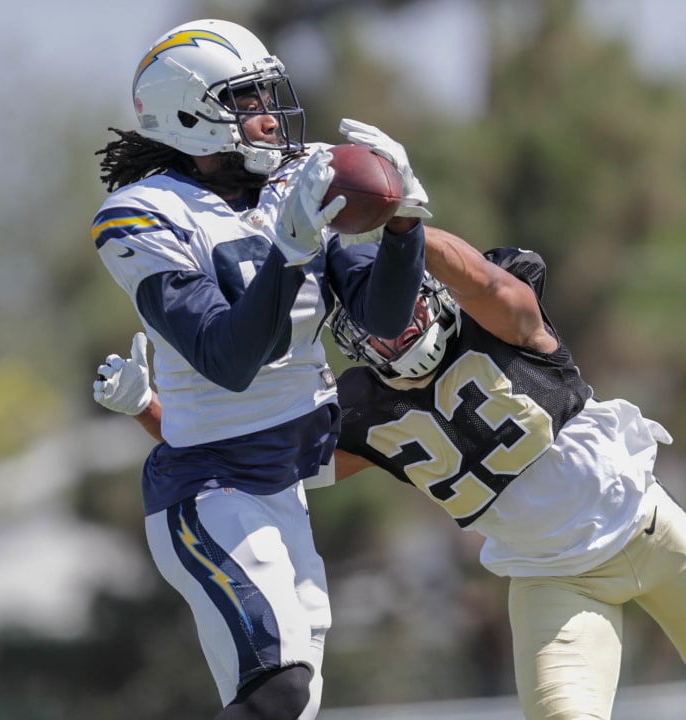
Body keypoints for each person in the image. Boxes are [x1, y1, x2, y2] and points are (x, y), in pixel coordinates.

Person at [96, 225, 686, 720]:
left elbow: (488, 280)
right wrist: (147, 408)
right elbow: (252, 460)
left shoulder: (498, 321)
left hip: (645, 526)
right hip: (551, 578)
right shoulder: (361, 411)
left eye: (398, 302)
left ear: (428, 289)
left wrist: (404, 222)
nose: (393, 328)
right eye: (372, 323)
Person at [91, 17, 431, 720]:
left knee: (291, 705)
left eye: (267, 96)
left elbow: (381, 317)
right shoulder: (145, 215)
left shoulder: (290, 185)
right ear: (190, 116)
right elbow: (229, 358)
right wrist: (290, 251)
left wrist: (404, 225)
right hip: (211, 488)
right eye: (247, 101)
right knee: (281, 691)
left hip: (286, 486)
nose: (271, 116)